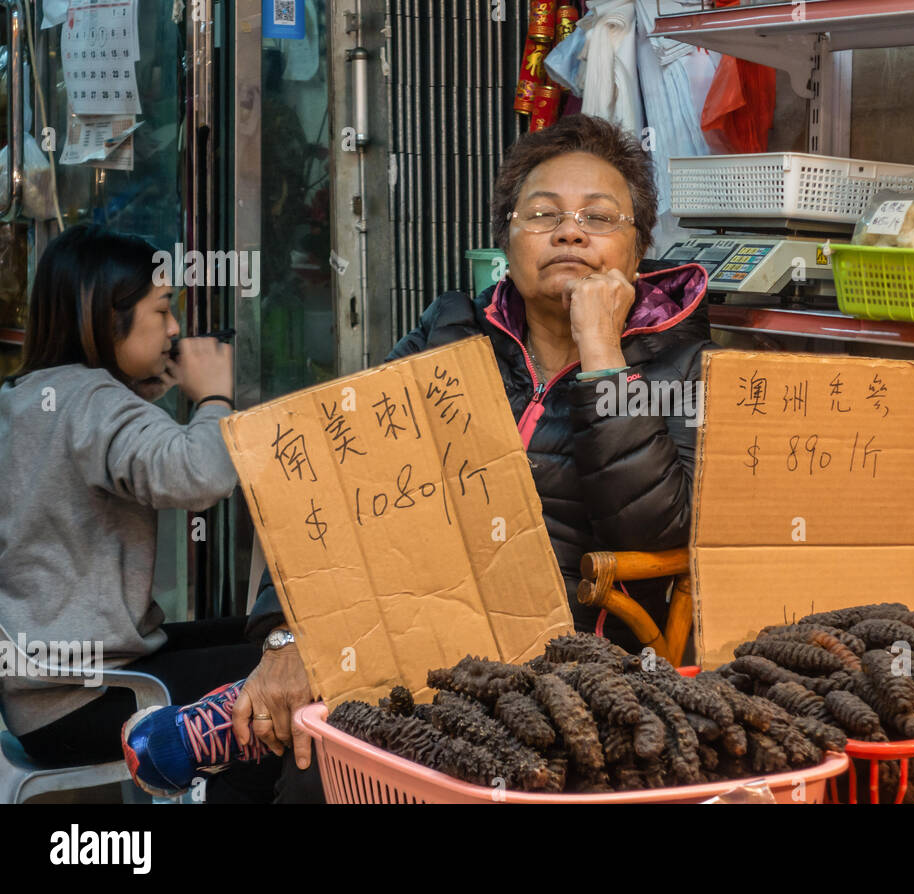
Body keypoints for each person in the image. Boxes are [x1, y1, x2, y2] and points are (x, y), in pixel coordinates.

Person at [217, 113, 713, 772]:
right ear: (506, 238)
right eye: (542, 215)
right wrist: (289, 633)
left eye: (598, 218)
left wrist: (601, 353)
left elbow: (655, 531)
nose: (569, 230)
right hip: (400, 651)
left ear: (640, 247)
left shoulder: (684, 367)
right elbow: (326, 483)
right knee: (278, 754)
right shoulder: (448, 332)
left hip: (567, 689)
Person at [0, 224, 318, 802]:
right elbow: (199, 476)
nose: (174, 329)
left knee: (264, 633)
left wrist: (149, 395)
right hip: (91, 702)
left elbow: (92, 454)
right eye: (163, 309)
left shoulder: (25, 396)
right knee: (285, 677)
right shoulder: (94, 401)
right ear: (107, 316)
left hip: (37, 698)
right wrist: (213, 396)